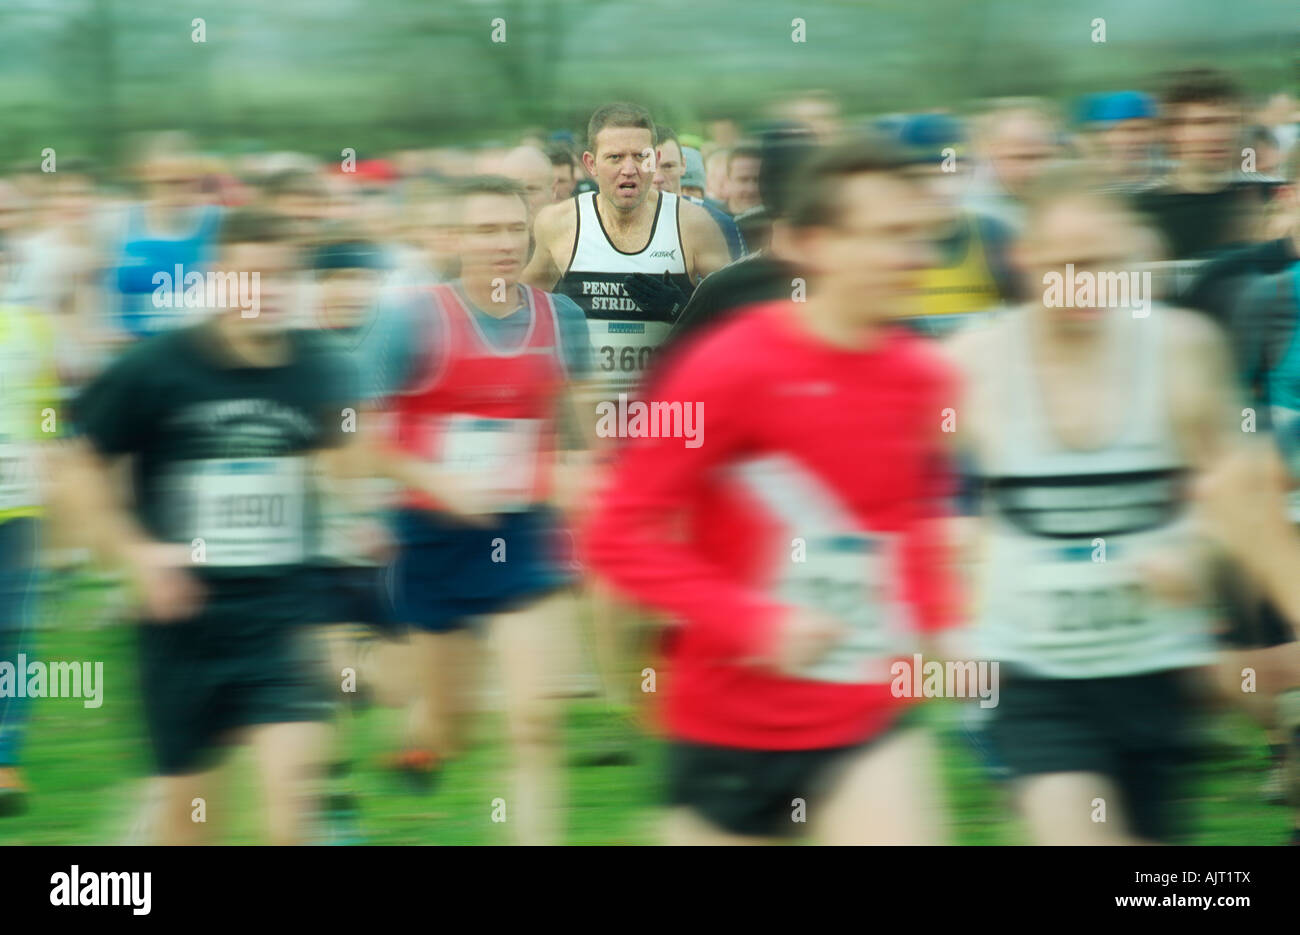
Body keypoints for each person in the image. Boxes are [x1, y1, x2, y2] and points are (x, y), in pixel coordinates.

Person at [584, 136, 958, 845]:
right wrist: (751, 620)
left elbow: (905, 518)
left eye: (919, 236)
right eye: (886, 236)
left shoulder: (920, 375)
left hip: (861, 714)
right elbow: (619, 533)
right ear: (812, 244)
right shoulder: (725, 367)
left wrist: (936, 614)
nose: (912, 256)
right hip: (727, 729)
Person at [942, 175, 1244, 844]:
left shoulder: (1180, 346)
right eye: (1064, 265)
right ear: (1024, 258)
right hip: (1031, 671)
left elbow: (1232, 488)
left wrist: (1194, 549)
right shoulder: (974, 360)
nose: (1085, 283)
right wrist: (949, 602)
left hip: (1155, 666)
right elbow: (906, 492)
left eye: (1105, 264)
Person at [57, 209, 357, 845]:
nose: (262, 291)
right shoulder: (158, 367)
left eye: (278, 276)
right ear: (218, 280)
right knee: (192, 828)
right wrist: (136, 555)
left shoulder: (315, 367)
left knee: (291, 816)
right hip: (182, 624)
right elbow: (75, 464)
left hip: (280, 617)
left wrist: (339, 588)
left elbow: (338, 471)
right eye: (248, 276)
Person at [358, 176, 592, 844]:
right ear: (453, 238)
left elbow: (580, 430)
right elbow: (357, 438)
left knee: (533, 720)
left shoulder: (560, 319)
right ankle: (385, 695)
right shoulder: (407, 319)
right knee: (449, 726)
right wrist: (430, 477)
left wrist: (586, 478)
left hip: (522, 531)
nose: (500, 243)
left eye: (511, 229)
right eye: (483, 230)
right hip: (432, 536)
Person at [653, 127, 745, 261]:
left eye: (668, 166)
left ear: (683, 165)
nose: (658, 178)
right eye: (650, 166)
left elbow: (741, 280)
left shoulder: (718, 224)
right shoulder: (615, 223)